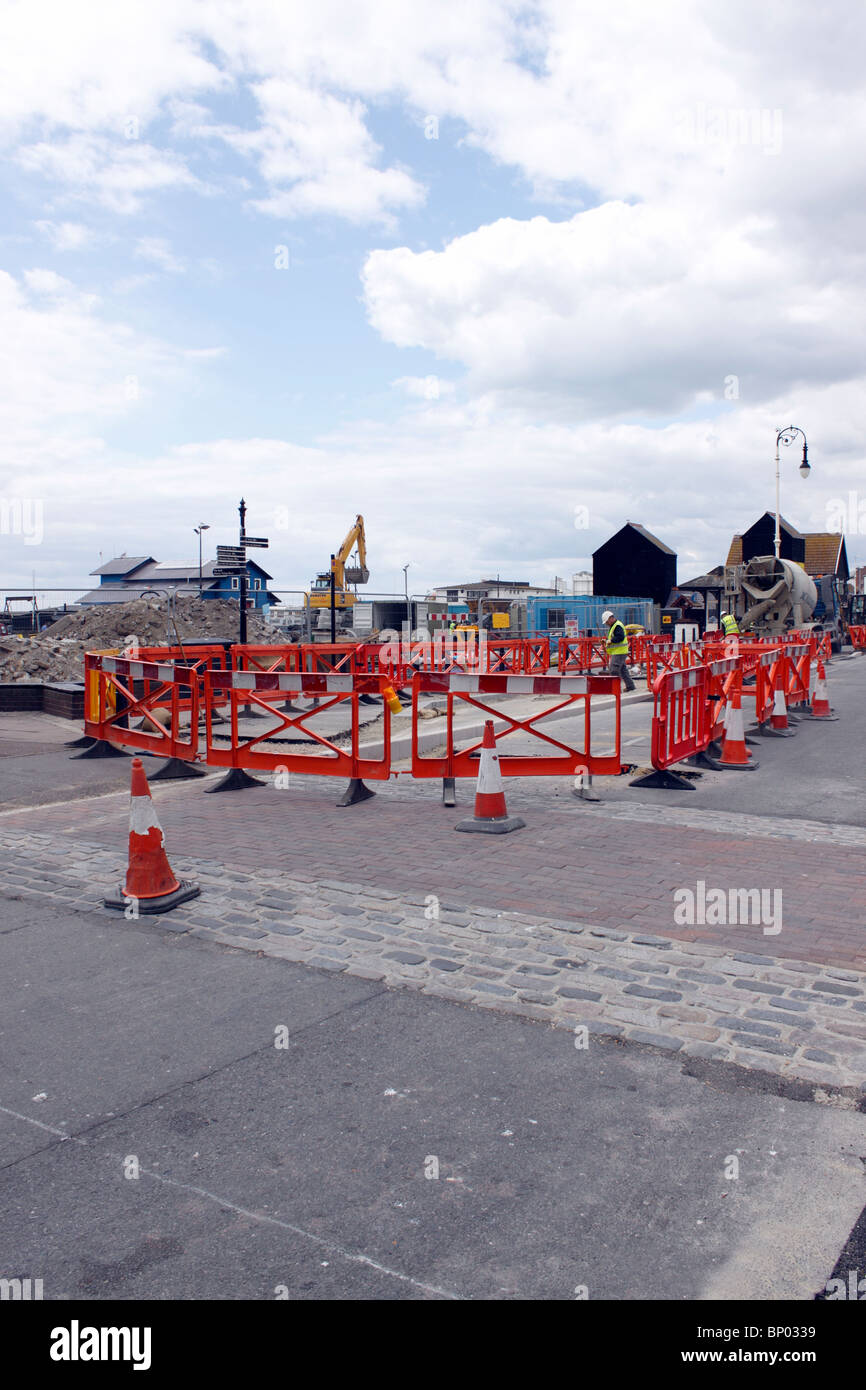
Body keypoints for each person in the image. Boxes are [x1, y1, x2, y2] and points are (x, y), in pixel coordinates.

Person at [602, 609, 635, 691]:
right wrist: (606, 641)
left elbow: (620, 637)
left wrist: (611, 641)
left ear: (610, 618)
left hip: (619, 652)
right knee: (623, 670)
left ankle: (615, 689)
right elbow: (614, 637)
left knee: (614, 670)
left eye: (606, 622)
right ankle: (630, 686)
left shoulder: (617, 626)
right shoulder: (614, 626)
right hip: (619, 651)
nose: (606, 624)